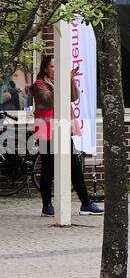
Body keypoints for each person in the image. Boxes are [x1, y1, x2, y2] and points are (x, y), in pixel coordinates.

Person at [31, 55, 101, 218]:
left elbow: (74, 97)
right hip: (46, 130)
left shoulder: (60, 82)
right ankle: (47, 206)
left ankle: (85, 203)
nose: (56, 70)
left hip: (62, 129)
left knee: (74, 166)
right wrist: (62, 83)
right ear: (45, 68)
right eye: (53, 67)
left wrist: (70, 81)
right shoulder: (38, 85)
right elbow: (50, 101)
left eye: (58, 67)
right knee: (48, 168)